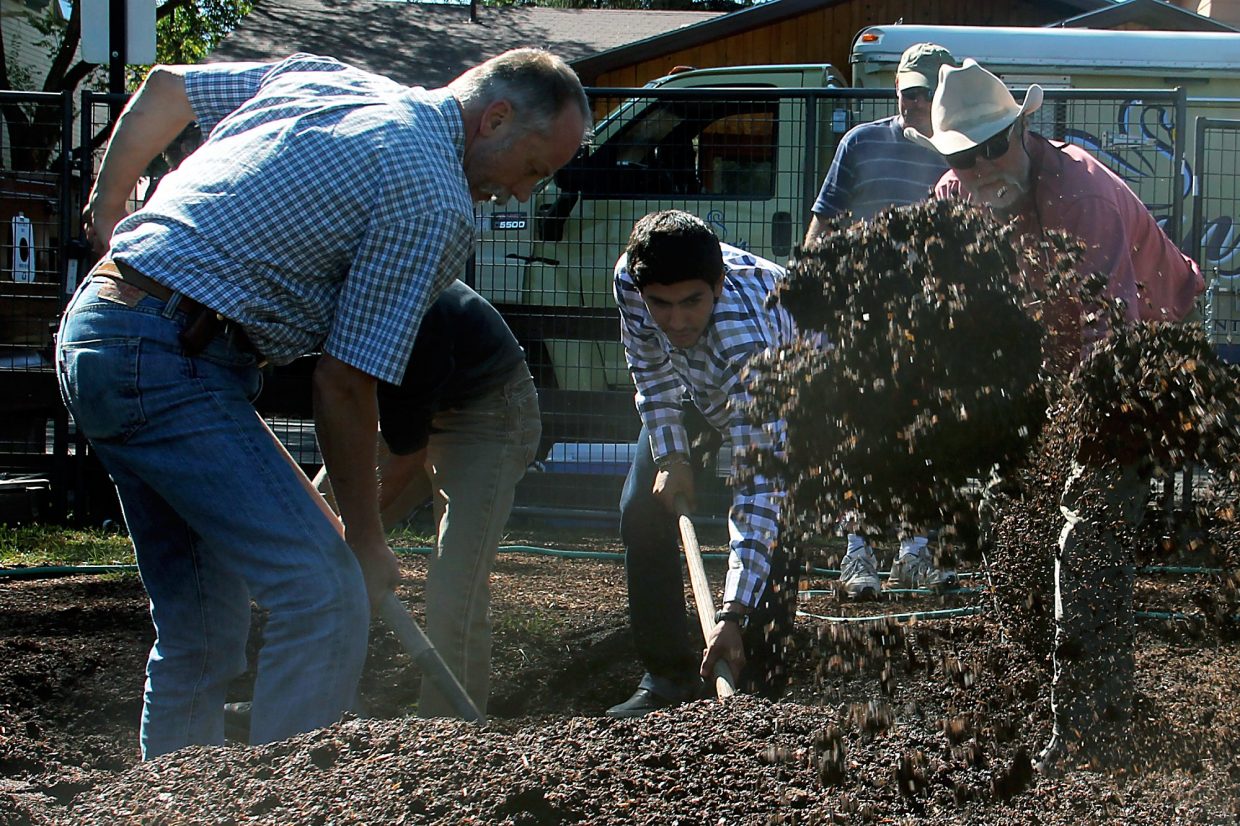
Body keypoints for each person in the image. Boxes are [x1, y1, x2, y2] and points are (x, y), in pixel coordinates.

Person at [61, 49, 589, 758]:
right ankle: (292, 802)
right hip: (167, 359)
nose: (522, 194)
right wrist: (365, 544)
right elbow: (344, 384)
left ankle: (178, 802)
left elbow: (167, 89)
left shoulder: (332, 80)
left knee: (203, 630)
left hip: (104, 326)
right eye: (532, 169)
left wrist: (108, 206)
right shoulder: (434, 196)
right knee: (325, 594)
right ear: (494, 119)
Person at [907, 58, 1204, 772]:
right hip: (1051, 361)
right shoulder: (953, 198)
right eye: (965, 156)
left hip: (1140, 347)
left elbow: (1109, 335)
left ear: (1022, 130)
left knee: (1088, 528)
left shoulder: (1083, 195)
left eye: (993, 147)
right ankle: (1036, 685)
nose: (982, 167)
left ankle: (1086, 729)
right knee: (1008, 517)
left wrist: (1065, 438)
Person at [317, 279, 541, 720]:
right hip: (415, 408)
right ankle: (305, 704)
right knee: (313, 527)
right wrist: (334, 529)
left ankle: (447, 731)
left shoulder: (409, 314)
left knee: (454, 585)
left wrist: (357, 532)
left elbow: (405, 459)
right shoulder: (325, 297)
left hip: (488, 413)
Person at [606, 210, 796, 718]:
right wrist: (672, 455)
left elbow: (759, 490)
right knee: (641, 508)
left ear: (718, 285)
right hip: (695, 386)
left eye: (692, 302)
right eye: (661, 305)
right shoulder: (631, 277)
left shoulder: (749, 346)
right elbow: (649, 367)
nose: (676, 322)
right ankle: (667, 677)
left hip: (792, 391)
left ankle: (758, 685)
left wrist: (731, 611)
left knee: (777, 530)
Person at [804, 42, 960, 599]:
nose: (913, 103)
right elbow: (824, 222)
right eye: (906, 92)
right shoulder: (861, 142)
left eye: (925, 94)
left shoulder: (960, 153)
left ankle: (914, 554)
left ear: (944, 96)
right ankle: (858, 554)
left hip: (931, 321)